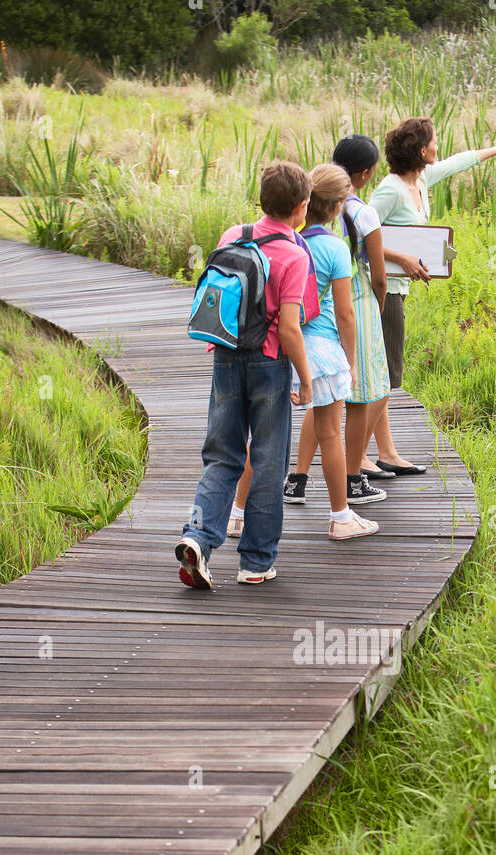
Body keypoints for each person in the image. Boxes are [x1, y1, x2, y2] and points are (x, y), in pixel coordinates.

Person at [174, 161, 313, 589]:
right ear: (301, 207)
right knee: (269, 461)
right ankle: (255, 562)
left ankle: (197, 538)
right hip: (269, 365)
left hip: (226, 358)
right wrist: (306, 380)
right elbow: (290, 328)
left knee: (222, 455)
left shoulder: (232, 236)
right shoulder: (294, 254)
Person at [367, 117, 496, 478]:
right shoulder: (391, 189)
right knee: (387, 375)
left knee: (383, 372)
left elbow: (459, 161)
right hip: (383, 290)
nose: (439, 146)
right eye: (434, 141)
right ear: (421, 150)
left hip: (397, 288)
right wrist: (402, 258)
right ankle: (359, 458)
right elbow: (361, 234)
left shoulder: (420, 180)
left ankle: (387, 452)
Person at [238, 163, 379, 542]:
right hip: (320, 347)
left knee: (260, 437)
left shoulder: (284, 239)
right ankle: (341, 517)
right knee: (331, 434)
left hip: (277, 345)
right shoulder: (334, 247)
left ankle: (236, 514)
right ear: (337, 207)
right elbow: (346, 314)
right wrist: (349, 360)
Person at [285, 134, 390, 506]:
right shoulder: (352, 225)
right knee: (363, 396)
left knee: (321, 404)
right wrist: (376, 315)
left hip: (291, 333)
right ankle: (351, 484)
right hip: (345, 317)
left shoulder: (290, 238)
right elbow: (376, 279)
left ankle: (294, 480)